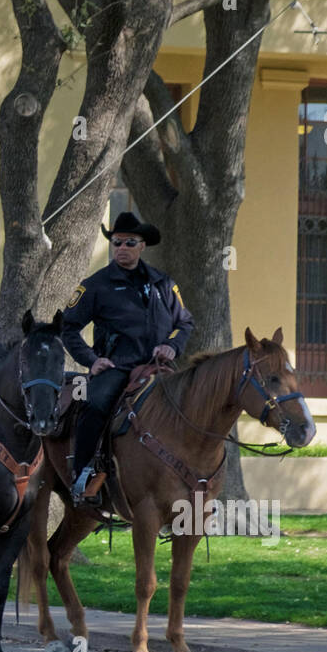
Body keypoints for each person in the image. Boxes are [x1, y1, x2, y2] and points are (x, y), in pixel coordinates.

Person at [62, 211, 194, 501]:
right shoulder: (96, 285)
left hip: (159, 367)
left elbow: (184, 323)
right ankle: (83, 475)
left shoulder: (163, 283)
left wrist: (172, 346)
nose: (122, 248)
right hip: (117, 367)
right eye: (117, 242)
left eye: (129, 243)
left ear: (142, 245)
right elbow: (68, 327)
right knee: (94, 404)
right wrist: (91, 360)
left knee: (192, 405)